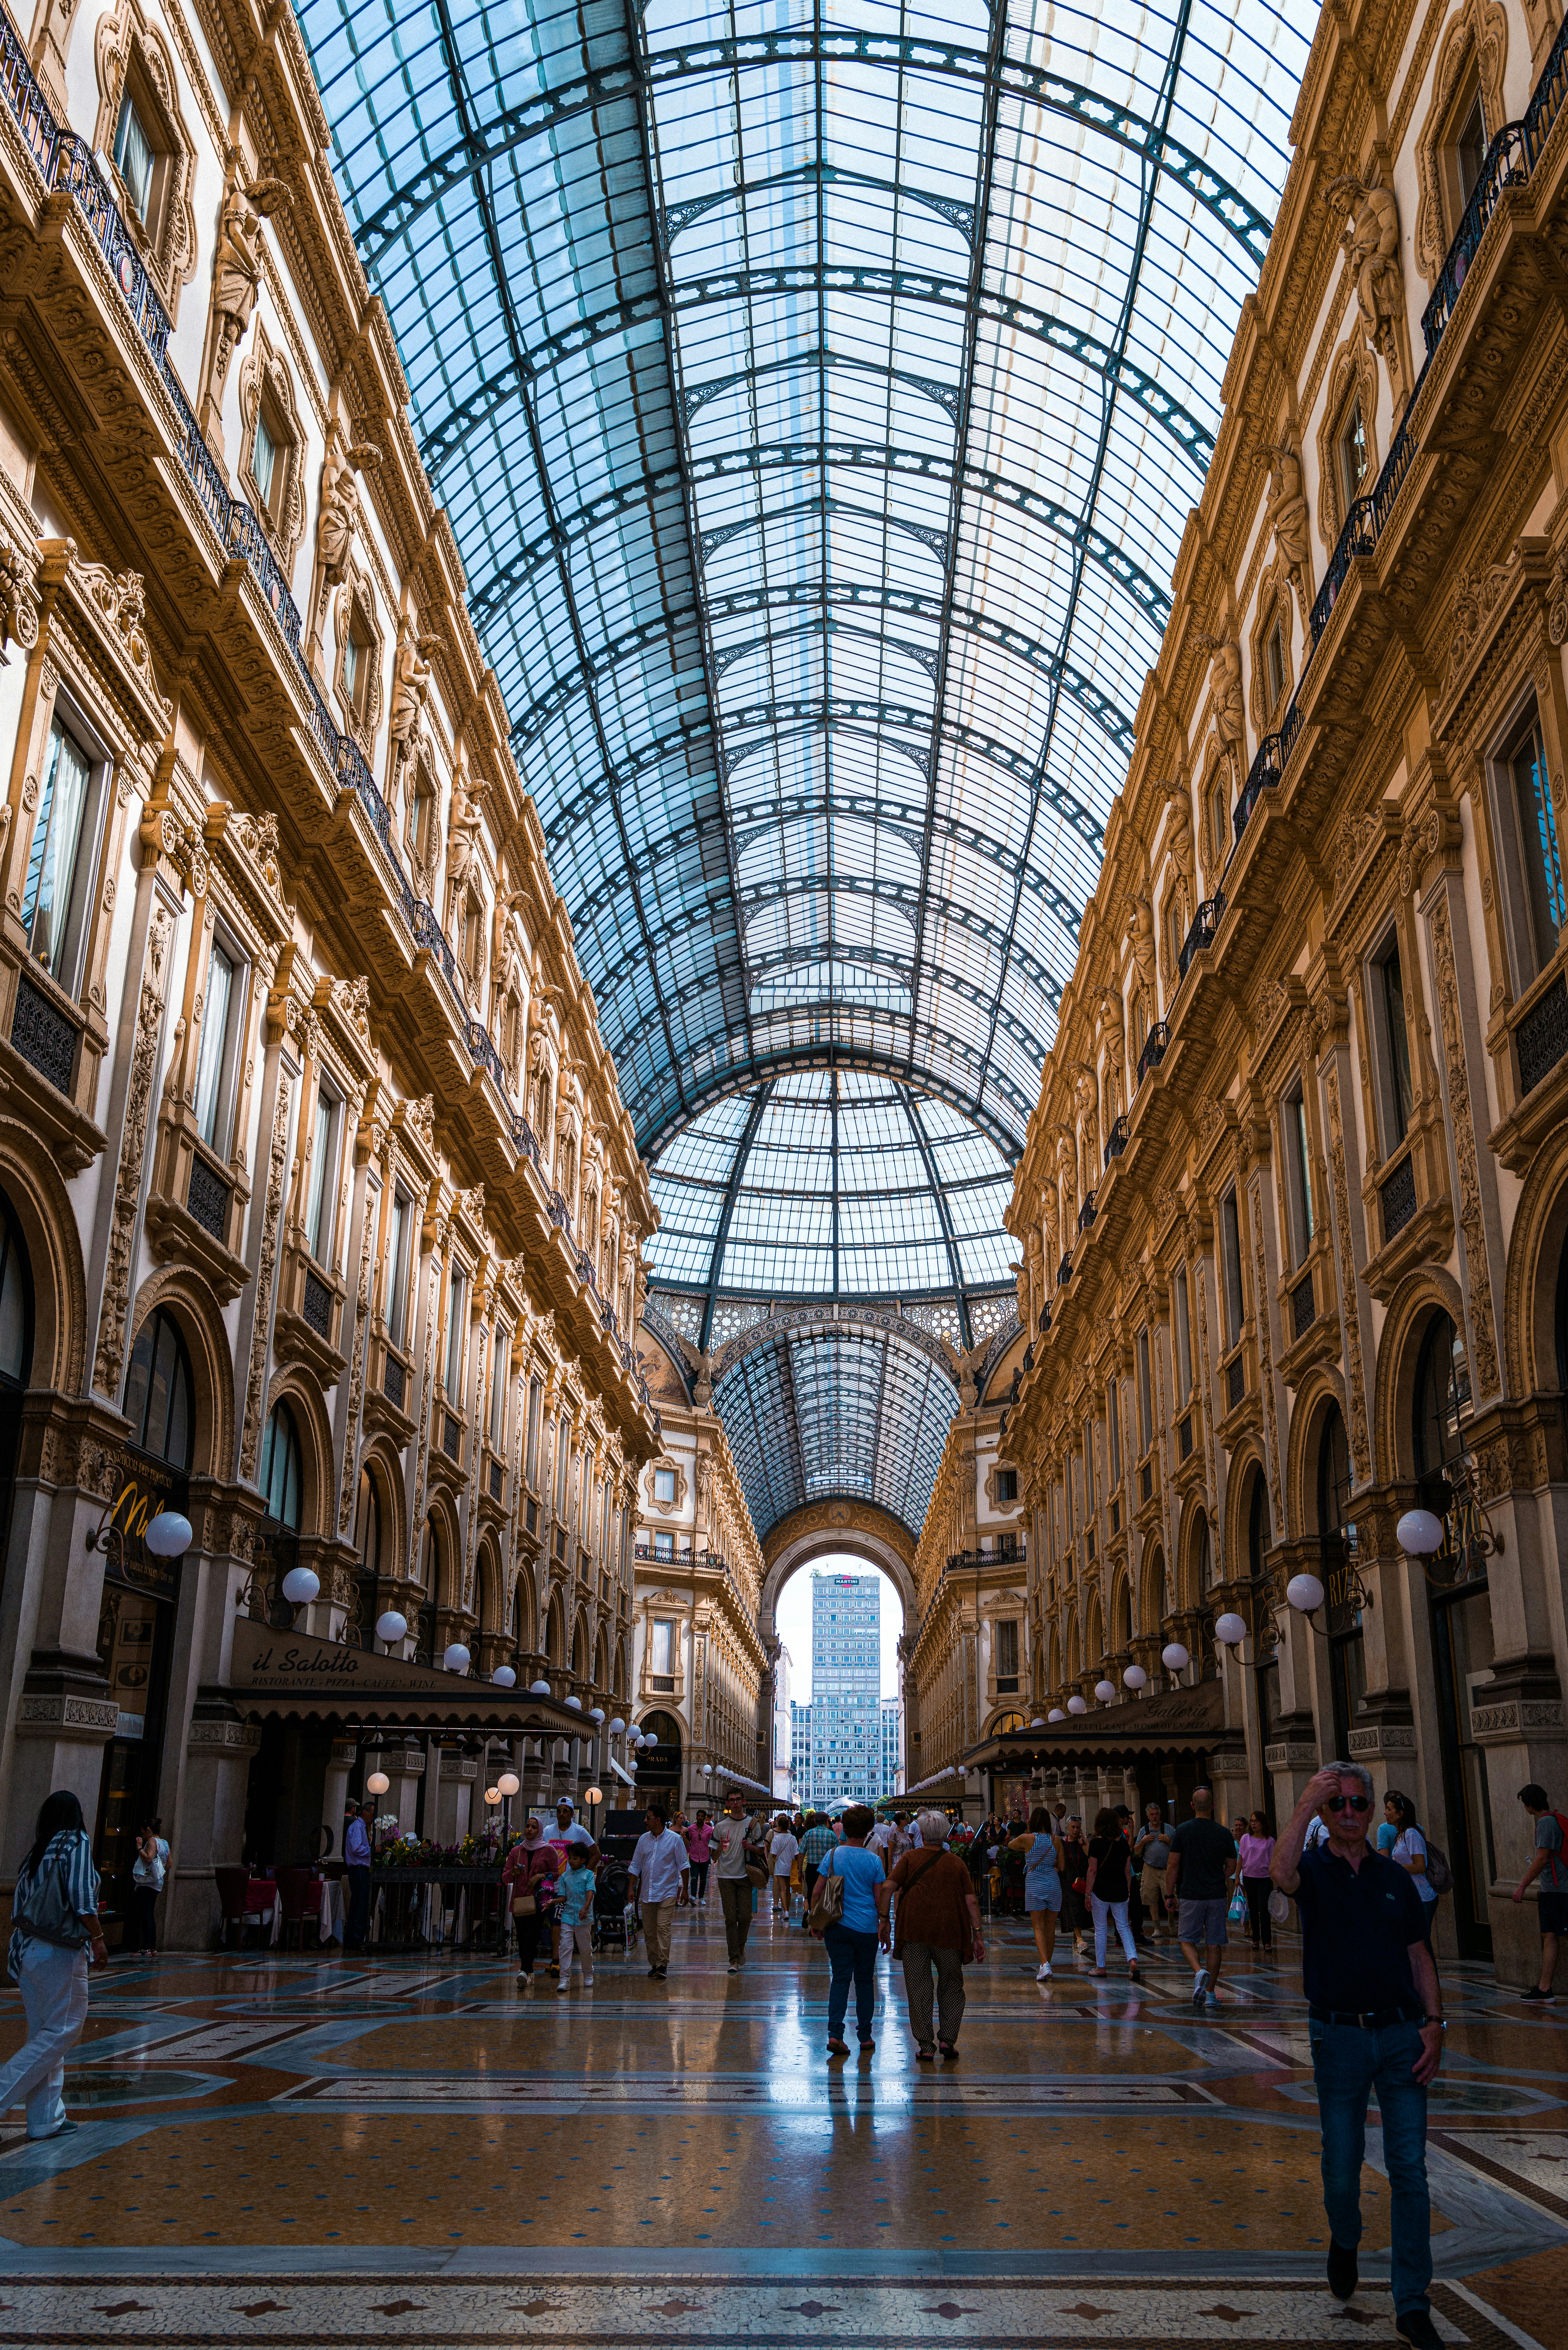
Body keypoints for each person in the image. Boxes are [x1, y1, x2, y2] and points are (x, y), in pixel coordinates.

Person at [1271, 1762, 1444, 2350]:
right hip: (1338, 2036)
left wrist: (1434, 2023)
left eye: (1357, 1803)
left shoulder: (1393, 1875)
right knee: (1341, 2164)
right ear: (1324, 1812)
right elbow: (1278, 1871)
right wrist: (1304, 1801)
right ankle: (1343, 2237)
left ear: (1371, 1810)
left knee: (1409, 2170)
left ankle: (1412, 2300)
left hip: (1400, 2035)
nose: (1348, 1811)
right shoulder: (1313, 1872)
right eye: (1337, 1803)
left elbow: (1418, 1953)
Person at [0, 1792, 106, 2141]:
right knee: (63, 2030)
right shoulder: (76, 1841)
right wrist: (99, 1937)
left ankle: (46, 2118)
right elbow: (82, 1899)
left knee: (45, 2033)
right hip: (59, 1951)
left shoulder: (39, 1850)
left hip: (27, 1951)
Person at [881, 1807, 983, 2058]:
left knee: (918, 1987)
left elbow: (888, 1887)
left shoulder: (910, 1859)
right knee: (951, 1984)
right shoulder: (956, 1863)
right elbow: (971, 1900)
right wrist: (978, 1934)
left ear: (922, 1834)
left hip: (914, 1930)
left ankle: (926, 2046)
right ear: (946, 1833)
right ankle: (948, 2039)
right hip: (950, 1931)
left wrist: (884, 1921)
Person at [819, 1803, 886, 2057]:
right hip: (867, 1929)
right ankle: (865, 2036)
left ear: (844, 1828)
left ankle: (836, 2034)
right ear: (869, 1830)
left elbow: (818, 1891)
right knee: (865, 1981)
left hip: (837, 1926)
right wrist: (884, 1923)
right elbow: (880, 1898)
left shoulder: (834, 1855)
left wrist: (817, 1923)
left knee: (840, 1978)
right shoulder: (874, 1860)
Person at [1165, 1787, 1237, 2004]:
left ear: (1193, 1806)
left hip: (1192, 1894)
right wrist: (1218, 1875)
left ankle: (1198, 1971)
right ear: (1213, 1806)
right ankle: (1212, 1994)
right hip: (1216, 1894)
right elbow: (1232, 1866)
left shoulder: (1183, 1831)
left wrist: (1170, 1894)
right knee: (1214, 1943)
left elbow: (1173, 1865)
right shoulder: (1224, 1832)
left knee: (1187, 1940)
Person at [1513, 1783, 1568, 2000]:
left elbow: (1542, 1857)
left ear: (1529, 1805)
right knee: (1550, 1935)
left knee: (1552, 1935)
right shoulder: (1555, 1819)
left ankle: (1545, 1988)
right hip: (1554, 1888)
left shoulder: (1545, 1823)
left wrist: (1523, 1885)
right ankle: (1545, 1987)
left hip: (1557, 1890)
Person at [628, 1803, 689, 1980]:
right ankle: (654, 1963)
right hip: (647, 1892)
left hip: (667, 1892)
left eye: (649, 1817)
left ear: (659, 1820)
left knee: (663, 1928)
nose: (645, 1820)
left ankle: (663, 1965)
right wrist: (631, 1888)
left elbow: (684, 1867)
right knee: (649, 1930)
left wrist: (685, 1891)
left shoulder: (675, 1840)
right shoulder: (643, 1840)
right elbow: (636, 1866)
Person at [1085, 1806, 1139, 1980]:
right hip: (1121, 1890)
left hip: (1100, 1891)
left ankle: (1101, 1967)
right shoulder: (1123, 1843)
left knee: (1101, 1930)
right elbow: (1127, 1870)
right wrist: (1128, 1891)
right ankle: (1133, 1961)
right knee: (1124, 1927)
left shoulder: (1095, 1843)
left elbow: (1092, 1871)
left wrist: (1087, 1895)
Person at [1010, 1806, 1064, 1979]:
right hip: (1054, 1885)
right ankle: (1047, 1963)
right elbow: (1062, 1867)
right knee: (1051, 1928)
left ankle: (1044, 1965)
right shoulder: (1056, 1840)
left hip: (1035, 1884)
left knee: (1038, 1927)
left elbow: (1011, 1845)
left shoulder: (1027, 1839)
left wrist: (1026, 1851)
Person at [502, 1816, 557, 1983]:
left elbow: (555, 1874)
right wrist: (513, 1872)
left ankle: (524, 1971)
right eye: (528, 1826)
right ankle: (530, 1972)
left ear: (539, 1830)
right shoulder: (516, 1851)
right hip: (520, 1900)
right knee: (522, 1937)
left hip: (541, 1900)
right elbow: (505, 1878)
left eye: (534, 1827)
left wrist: (539, 1876)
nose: (530, 1830)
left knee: (531, 1936)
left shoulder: (549, 1851)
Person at [711, 1793, 762, 1973]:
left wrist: (751, 1847)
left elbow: (761, 1850)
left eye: (738, 1800)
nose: (735, 1803)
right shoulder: (720, 1826)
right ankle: (733, 1958)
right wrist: (719, 1848)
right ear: (728, 1803)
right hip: (725, 1877)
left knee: (746, 1916)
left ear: (744, 1801)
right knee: (731, 1918)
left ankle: (741, 1947)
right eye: (732, 1800)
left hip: (746, 1876)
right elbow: (714, 1857)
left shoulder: (752, 1824)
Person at [1385, 1791, 1439, 1947]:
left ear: (1400, 1814)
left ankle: (1429, 1973)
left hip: (1423, 1898)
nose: (1385, 1813)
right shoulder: (1400, 1835)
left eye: (1389, 1809)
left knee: (1421, 1944)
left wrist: (1394, 1868)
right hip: (1410, 1897)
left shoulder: (1411, 1834)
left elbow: (1420, 1866)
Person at [554, 1843, 598, 1993]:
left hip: (583, 1918)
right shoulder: (565, 1877)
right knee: (565, 1947)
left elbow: (590, 1892)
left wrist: (585, 1908)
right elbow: (563, 1897)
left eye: (575, 1858)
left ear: (583, 1860)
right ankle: (564, 1979)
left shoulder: (588, 1875)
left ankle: (588, 1973)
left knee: (585, 1948)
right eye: (570, 1858)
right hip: (568, 1917)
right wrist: (552, 1901)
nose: (571, 1861)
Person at [129, 1816, 169, 1959]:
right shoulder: (165, 1843)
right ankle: (152, 1947)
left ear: (148, 1830)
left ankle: (146, 1948)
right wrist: (159, 1870)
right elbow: (169, 1864)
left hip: (147, 1883)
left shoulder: (152, 1841)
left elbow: (148, 1858)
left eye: (143, 1833)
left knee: (146, 1915)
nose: (143, 1836)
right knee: (150, 1914)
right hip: (157, 1884)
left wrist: (140, 1847)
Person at [1238, 1811, 1277, 1951]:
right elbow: (1241, 1859)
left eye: (1256, 1821)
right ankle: (1256, 1939)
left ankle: (1267, 1941)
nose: (1253, 1823)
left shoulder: (1270, 1841)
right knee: (1253, 1909)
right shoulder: (1245, 1839)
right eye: (1252, 1821)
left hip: (1265, 1879)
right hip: (1249, 1877)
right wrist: (1238, 1877)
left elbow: (1273, 1861)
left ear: (1263, 1823)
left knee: (1263, 1909)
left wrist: (1276, 1880)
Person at [1134, 1804, 1172, 1939]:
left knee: (1170, 1897)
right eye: (1152, 1815)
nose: (1155, 1817)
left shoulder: (1168, 1829)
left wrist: (1168, 1840)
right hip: (1149, 1869)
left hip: (1166, 1870)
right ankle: (1157, 1928)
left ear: (1160, 1815)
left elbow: (1178, 1848)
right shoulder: (1144, 1830)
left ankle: (1171, 1922)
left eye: (1157, 1814)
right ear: (1148, 1816)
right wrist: (1143, 1841)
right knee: (1151, 1900)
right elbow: (1137, 1851)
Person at [344, 1798, 373, 1946]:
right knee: (360, 1904)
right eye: (372, 1814)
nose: (373, 1818)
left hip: (361, 1870)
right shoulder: (357, 1827)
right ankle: (356, 1939)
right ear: (365, 1812)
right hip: (358, 1870)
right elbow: (357, 1848)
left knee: (359, 1904)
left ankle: (354, 1938)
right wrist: (373, 1851)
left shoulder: (364, 1828)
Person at [1060, 1816, 1089, 1954]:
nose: (1076, 1830)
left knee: (1080, 1909)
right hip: (1068, 1881)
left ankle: (1076, 1941)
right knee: (1074, 1909)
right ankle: (1080, 1940)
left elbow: (1090, 1857)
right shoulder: (1062, 1843)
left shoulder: (1082, 1842)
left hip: (1082, 1881)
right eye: (1073, 1827)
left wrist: (1083, 1843)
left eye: (1078, 1828)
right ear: (1068, 1828)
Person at [801, 1810, 835, 1918]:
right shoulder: (832, 1835)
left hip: (811, 1867)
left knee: (811, 1892)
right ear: (827, 1822)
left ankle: (812, 1915)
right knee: (825, 1893)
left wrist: (799, 1871)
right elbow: (836, 1853)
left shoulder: (808, 1834)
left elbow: (801, 1853)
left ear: (815, 1822)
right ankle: (822, 1917)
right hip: (827, 1869)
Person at [768, 1814, 799, 1923]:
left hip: (780, 1867)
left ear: (780, 1827)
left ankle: (785, 1911)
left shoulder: (776, 1838)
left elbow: (774, 1855)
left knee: (782, 1889)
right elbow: (797, 1854)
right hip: (790, 1867)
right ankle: (788, 1911)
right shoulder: (793, 1838)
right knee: (788, 1889)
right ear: (789, 1826)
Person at [685, 1810, 714, 1906]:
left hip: (705, 1858)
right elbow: (687, 1842)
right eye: (699, 1816)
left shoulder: (709, 1830)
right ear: (696, 1817)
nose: (700, 1818)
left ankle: (701, 1898)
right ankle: (693, 1896)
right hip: (694, 1857)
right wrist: (689, 1851)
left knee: (703, 1879)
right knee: (694, 1877)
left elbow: (713, 1843)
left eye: (702, 1816)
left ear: (705, 1818)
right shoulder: (691, 1829)